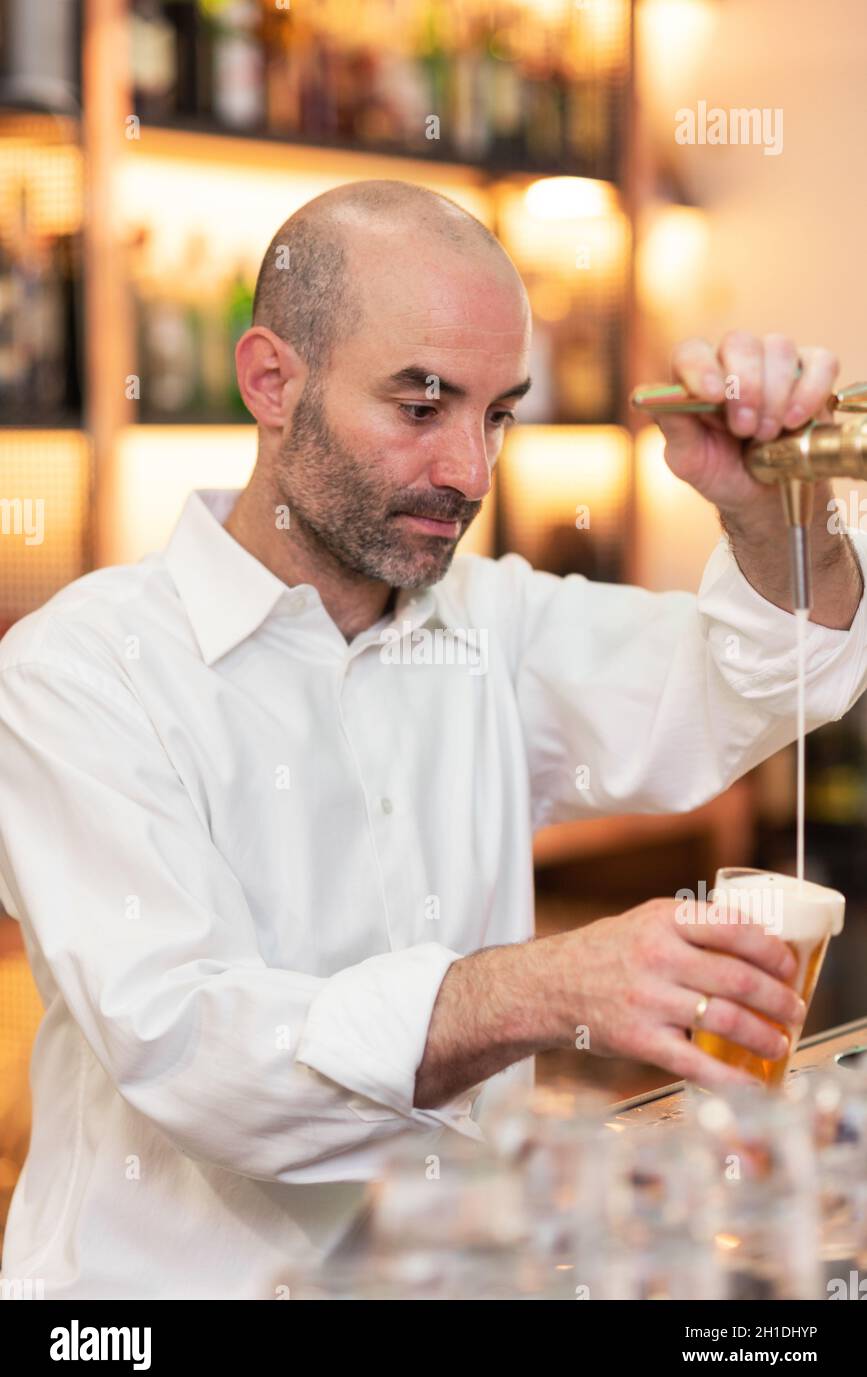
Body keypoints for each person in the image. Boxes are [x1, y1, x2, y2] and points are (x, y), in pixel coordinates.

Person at [0, 179, 865, 1299]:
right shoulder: (79, 673)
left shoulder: (496, 626)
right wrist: (539, 989)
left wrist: (766, 508)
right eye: (421, 406)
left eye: (497, 413)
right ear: (272, 380)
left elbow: (764, 677)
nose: (470, 471)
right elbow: (193, 1051)